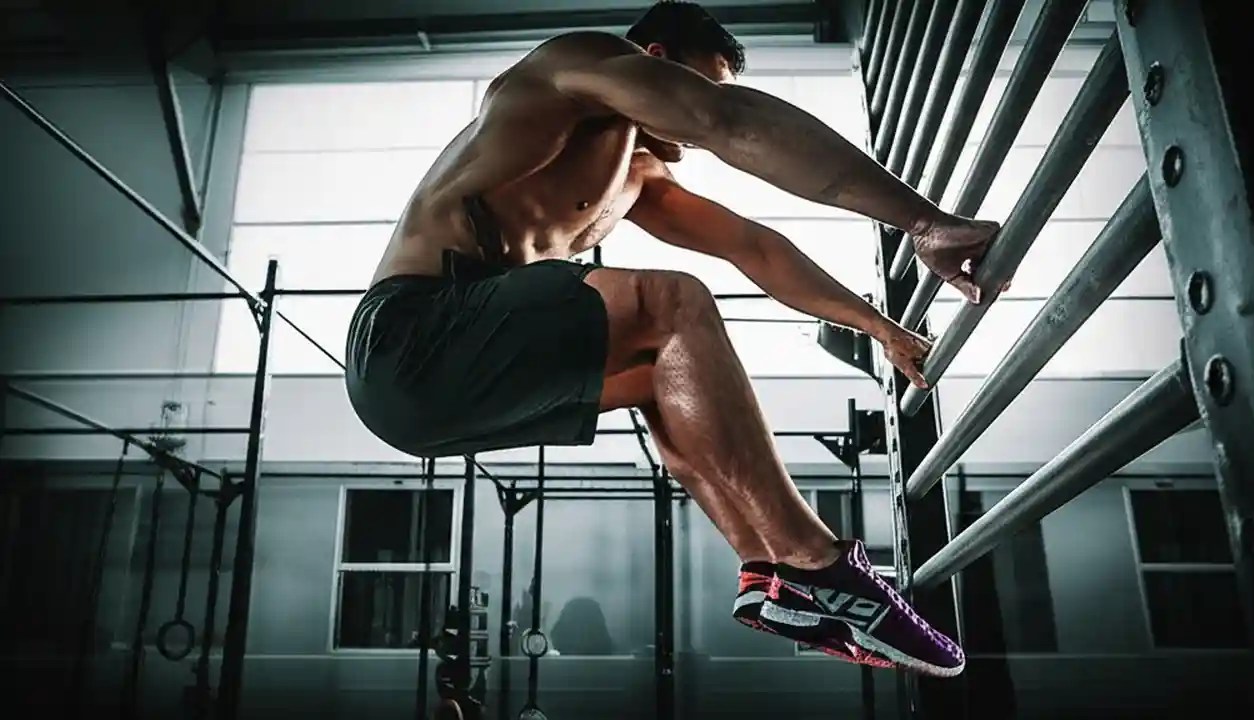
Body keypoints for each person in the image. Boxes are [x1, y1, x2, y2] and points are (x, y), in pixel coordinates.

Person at [346, 1, 1002, 678]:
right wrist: (924, 222)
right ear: (654, 63)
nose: (691, 121)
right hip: (413, 333)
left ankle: (771, 574)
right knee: (672, 301)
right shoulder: (571, 67)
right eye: (698, 83)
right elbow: (728, 121)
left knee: (664, 368)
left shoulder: (636, 179)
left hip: (440, 391)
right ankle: (818, 562)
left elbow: (754, 248)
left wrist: (877, 328)